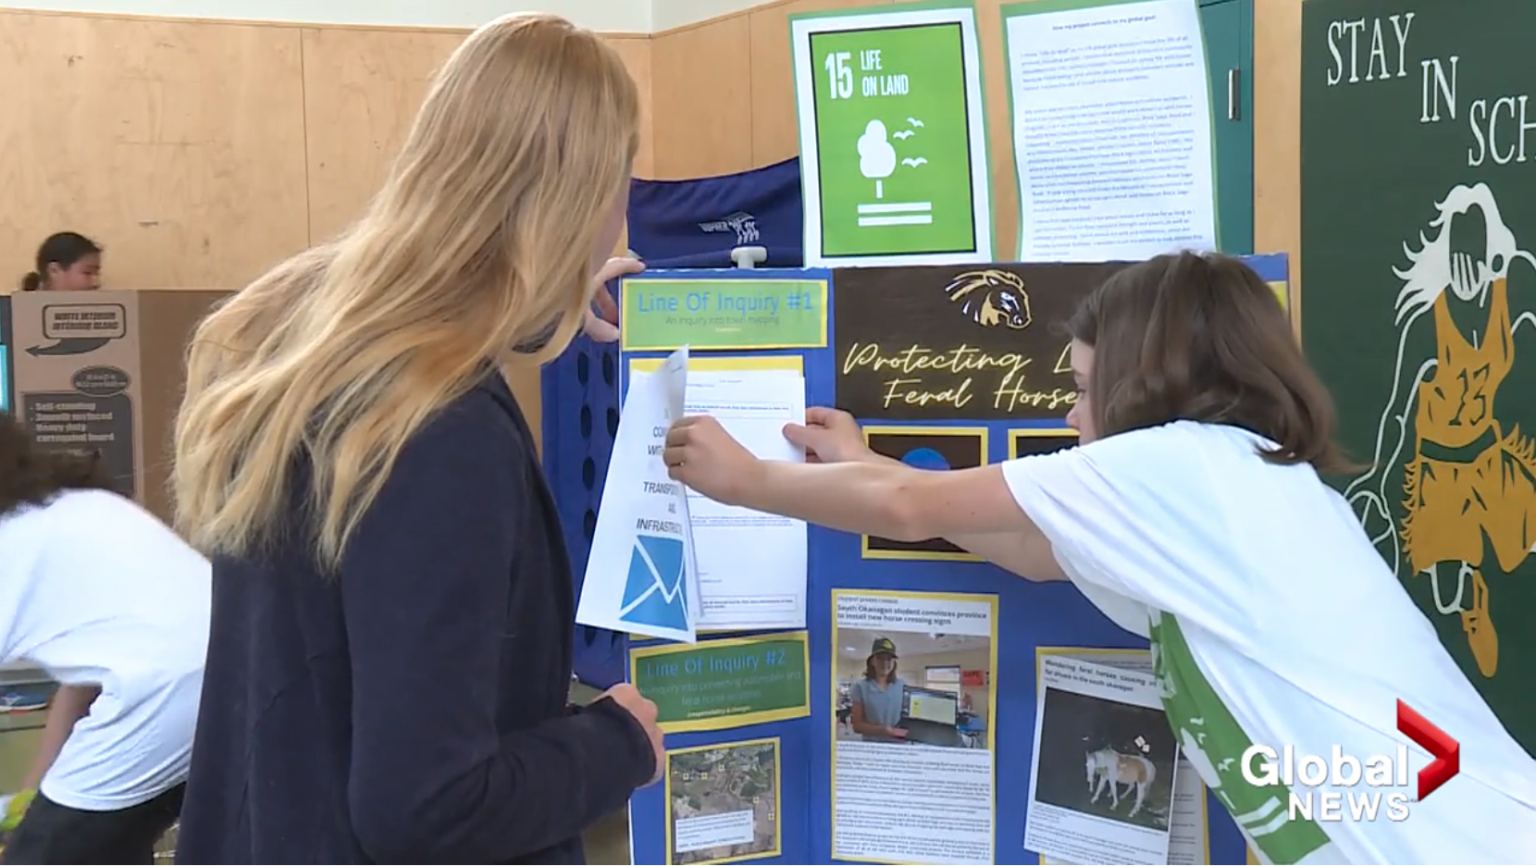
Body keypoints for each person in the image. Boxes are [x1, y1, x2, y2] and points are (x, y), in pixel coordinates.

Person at [662, 251, 1536, 865]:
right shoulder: (1217, 491)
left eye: (1083, 392)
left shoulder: (1181, 464)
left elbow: (910, 507)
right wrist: (863, 463)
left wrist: (745, 483)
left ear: (1146, 385)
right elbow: (1034, 553)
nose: (1073, 419)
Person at [169, 13, 663, 865]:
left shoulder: (299, 356)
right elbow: (428, 809)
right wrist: (618, 744)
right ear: (580, 198)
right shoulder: (441, 434)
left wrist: (544, 299)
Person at [0, 413, 209, 863]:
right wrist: (32, 799)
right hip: (236, 680)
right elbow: (84, 684)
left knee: (44, 855)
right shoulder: (78, 506)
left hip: (164, 696)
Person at [847, 638, 908, 743]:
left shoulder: (902, 686)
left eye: (889, 659)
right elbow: (857, 726)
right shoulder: (860, 687)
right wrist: (882, 730)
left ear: (894, 663)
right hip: (872, 748)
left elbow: (907, 718)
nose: (885, 663)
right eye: (880, 658)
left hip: (898, 747)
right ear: (872, 661)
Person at [18, 233, 102, 292]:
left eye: (97, 274)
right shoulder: (16, 312)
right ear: (54, 270)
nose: (96, 283)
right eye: (87, 273)